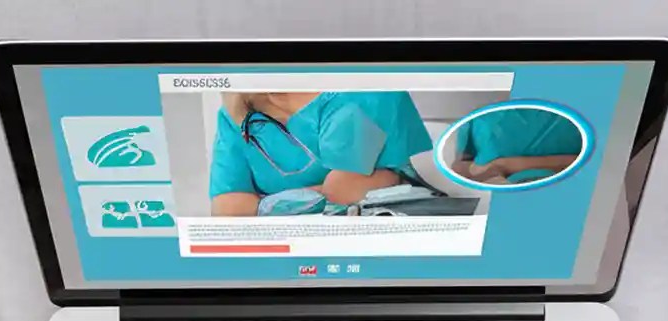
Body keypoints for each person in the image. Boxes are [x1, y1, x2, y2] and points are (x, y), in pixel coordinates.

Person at [208, 91, 433, 216]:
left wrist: (265, 205)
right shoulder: (234, 113)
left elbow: (342, 189)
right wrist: (319, 194)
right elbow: (228, 209)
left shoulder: (366, 95)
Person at [450, 107, 584, 185]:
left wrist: (503, 165)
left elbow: (597, 162)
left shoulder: (578, 112)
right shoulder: (479, 117)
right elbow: (460, 168)